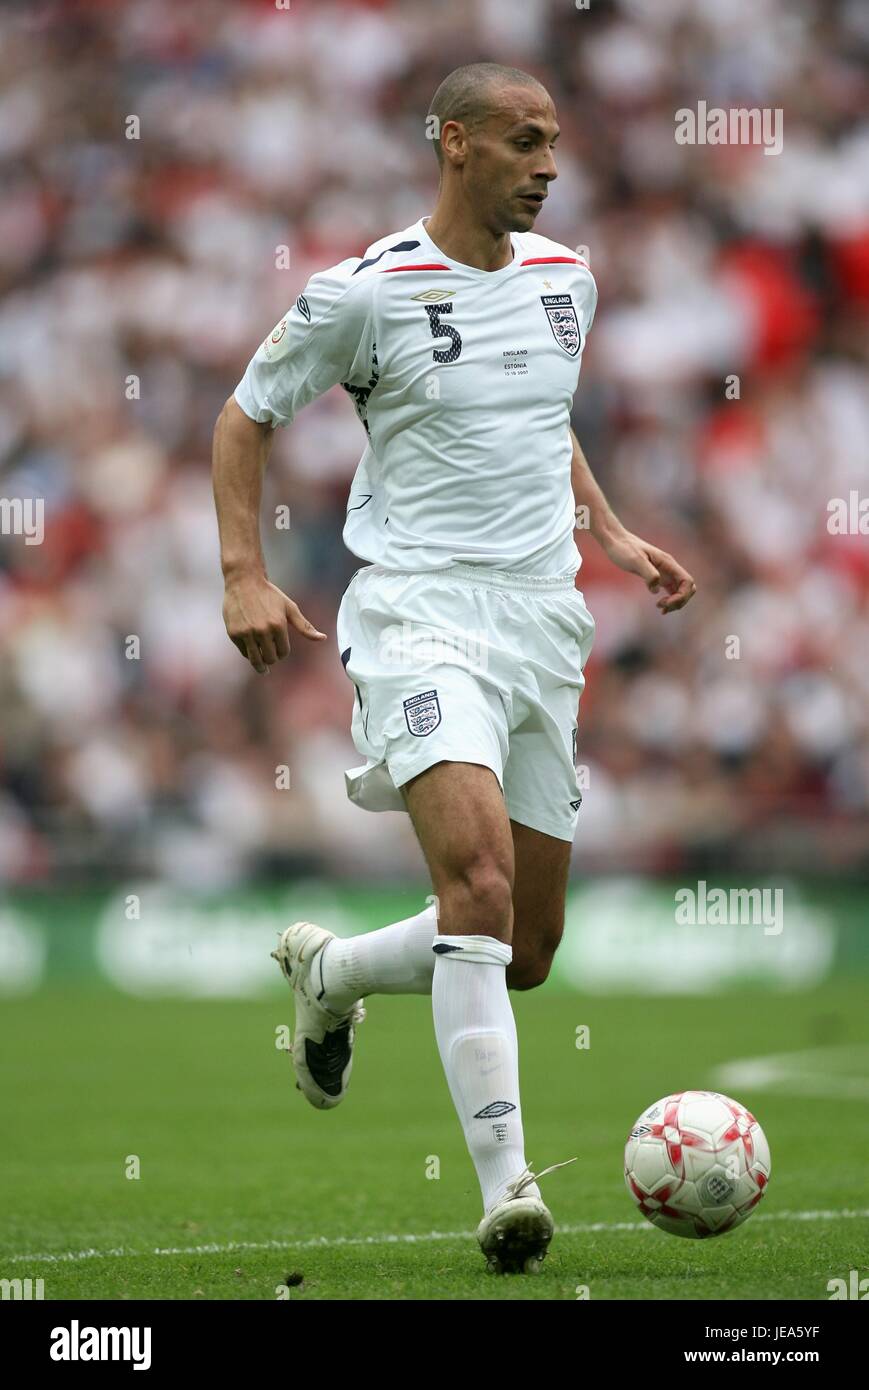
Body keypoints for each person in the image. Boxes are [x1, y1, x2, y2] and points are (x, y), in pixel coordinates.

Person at [212, 61, 696, 1274]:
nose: (547, 165)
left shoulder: (566, 281)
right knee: (473, 880)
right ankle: (507, 1191)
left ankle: (332, 971)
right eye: (523, 142)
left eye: (554, 145)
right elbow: (244, 414)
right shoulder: (362, 293)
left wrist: (611, 532)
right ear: (453, 143)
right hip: (419, 615)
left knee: (523, 948)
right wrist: (240, 572)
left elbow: (541, 416)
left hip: (542, 621)